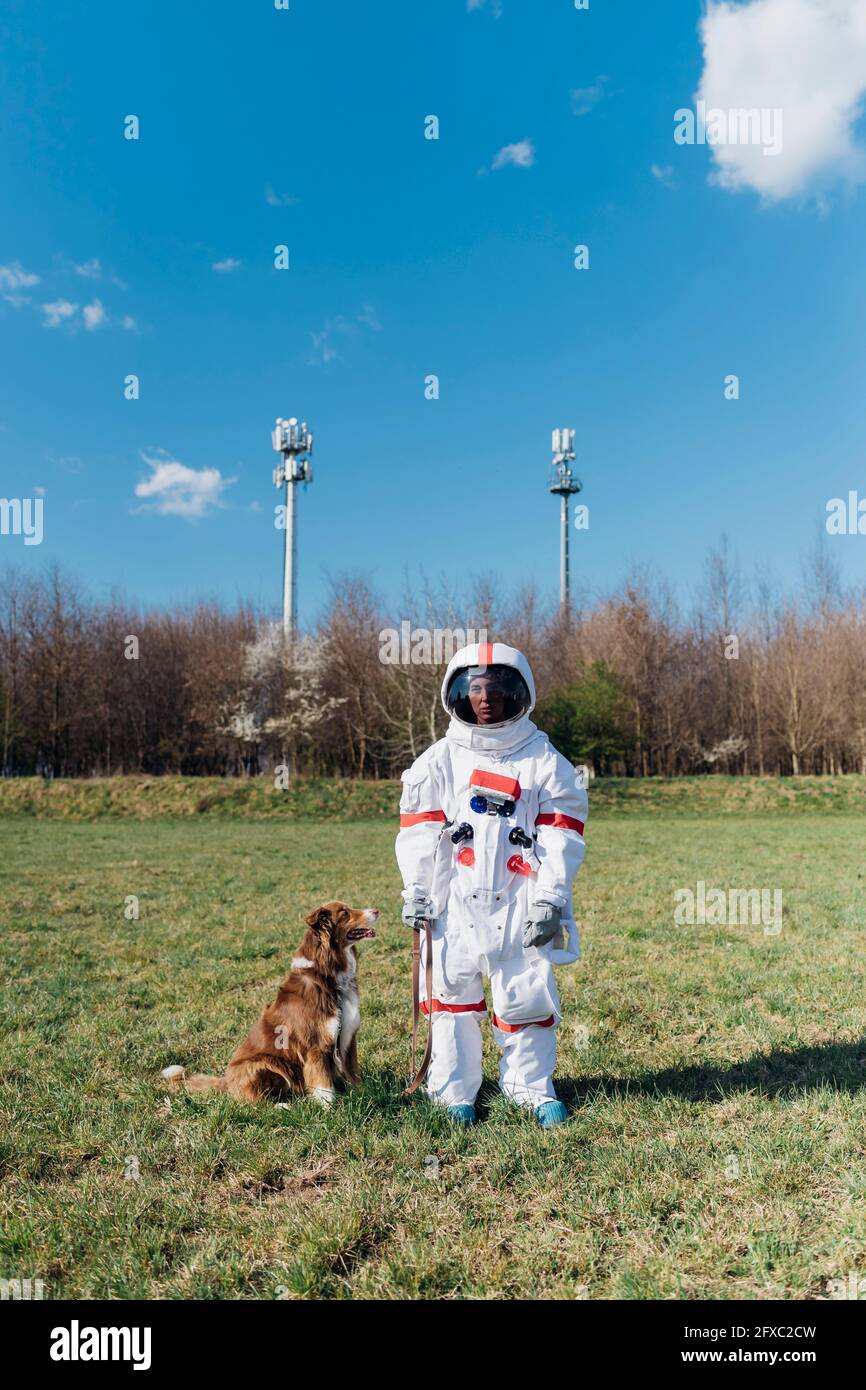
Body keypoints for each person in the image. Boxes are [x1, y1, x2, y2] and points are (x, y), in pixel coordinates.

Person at [395, 641, 588, 1128]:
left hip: (520, 899)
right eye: (476, 689)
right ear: (457, 695)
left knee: (525, 996)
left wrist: (551, 897)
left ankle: (529, 1088)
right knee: (451, 999)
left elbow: (562, 833)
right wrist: (417, 892)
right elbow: (419, 833)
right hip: (455, 903)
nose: (486, 699)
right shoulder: (439, 761)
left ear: (518, 694)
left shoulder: (543, 759)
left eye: (498, 689)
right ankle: (452, 1090)